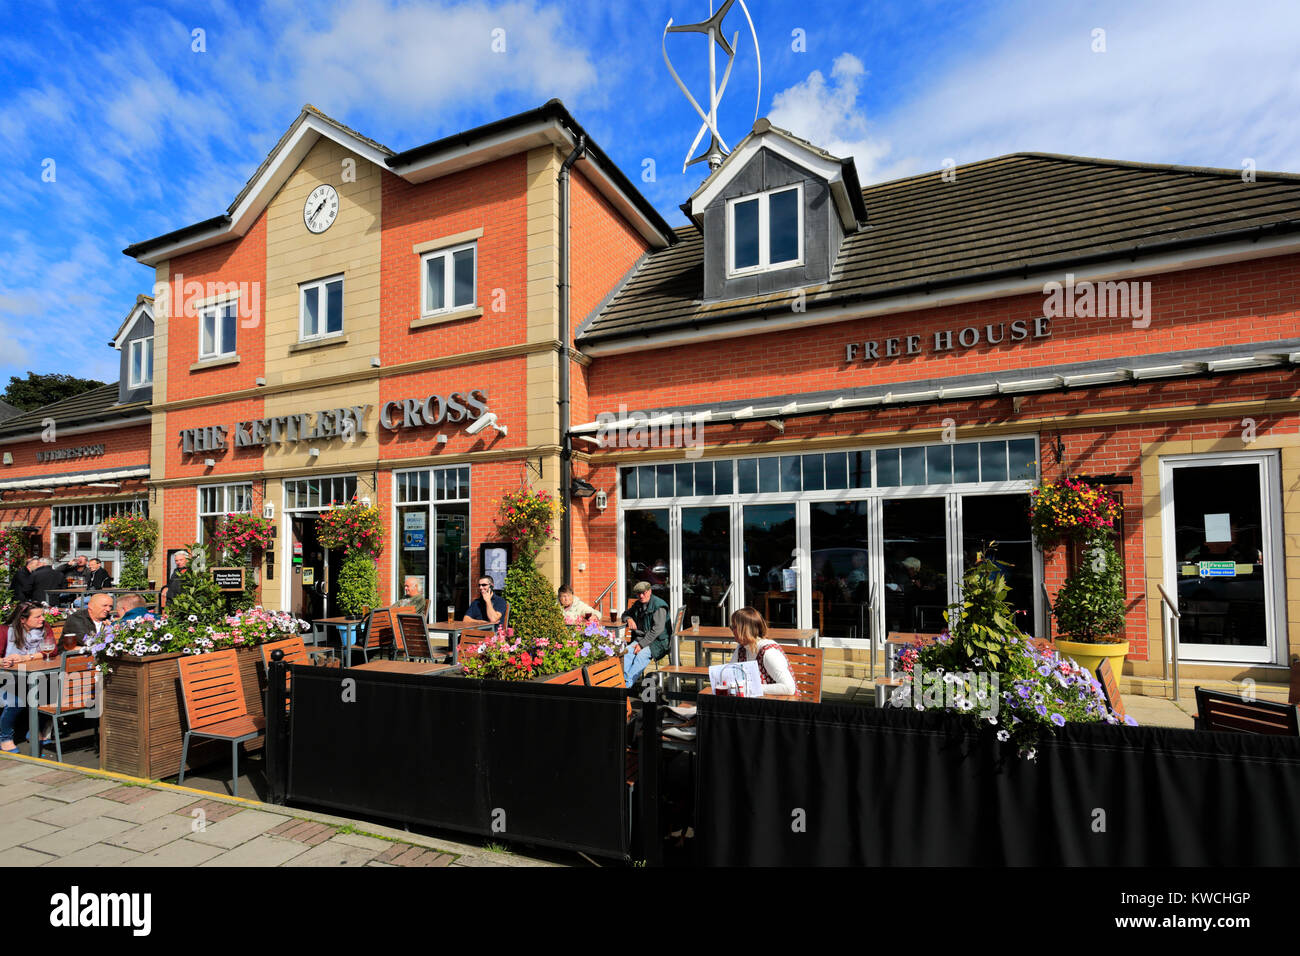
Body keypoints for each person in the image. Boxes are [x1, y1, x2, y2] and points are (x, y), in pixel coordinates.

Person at [1, 603, 51, 752]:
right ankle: (5, 737)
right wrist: (3, 660)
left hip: (30, 677)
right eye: (38, 616)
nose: (43, 619)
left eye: (42, 615)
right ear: (23, 619)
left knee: (49, 695)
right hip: (6, 678)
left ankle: (34, 731)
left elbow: (52, 650)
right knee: (17, 701)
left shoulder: (44, 629)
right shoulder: (5, 632)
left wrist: (26, 657)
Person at [727, 605, 797, 696]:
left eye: (734, 627)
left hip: (779, 704)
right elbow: (729, 675)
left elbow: (789, 688)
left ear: (745, 629)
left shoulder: (769, 652)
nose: (732, 630)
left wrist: (751, 687)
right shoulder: (742, 648)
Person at [622, 581, 672, 688]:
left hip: (658, 642)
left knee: (641, 656)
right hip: (641, 639)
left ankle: (626, 686)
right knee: (626, 653)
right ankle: (622, 681)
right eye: (638, 594)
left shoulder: (659, 606)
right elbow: (625, 614)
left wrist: (641, 645)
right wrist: (629, 619)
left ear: (650, 591)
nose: (641, 596)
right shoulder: (637, 604)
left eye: (643, 593)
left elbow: (657, 629)